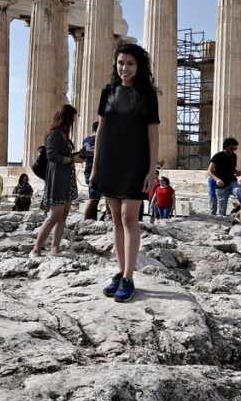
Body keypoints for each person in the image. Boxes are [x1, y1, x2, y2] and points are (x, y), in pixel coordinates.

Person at [89, 43, 160, 303]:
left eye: (130, 63)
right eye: (120, 63)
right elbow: (101, 132)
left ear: (138, 66)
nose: (124, 68)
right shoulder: (108, 91)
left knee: (129, 218)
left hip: (135, 161)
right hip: (110, 160)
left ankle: (129, 277)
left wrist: (151, 170)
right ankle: (120, 272)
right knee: (115, 219)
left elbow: (153, 134)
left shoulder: (146, 94)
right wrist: (95, 166)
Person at [33, 104, 83, 256]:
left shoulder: (64, 135)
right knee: (54, 216)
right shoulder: (53, 134)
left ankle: (55, 248)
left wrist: (77, 155)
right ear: (67, 117)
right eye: (73, 116)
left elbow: (63, 154)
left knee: (63, 215)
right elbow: (51, 155)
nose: (75, 120)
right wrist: (71, 160)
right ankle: (36, 250)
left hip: (66, 177)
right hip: (57, 178)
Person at [208, 138, 241, 223]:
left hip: (232, 182)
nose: (233, 151)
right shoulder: (217, 156)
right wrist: (217, 180)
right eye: (232, 148)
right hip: (221, 186)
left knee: (240, 193)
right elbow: (209, 171)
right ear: (226, 146)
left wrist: (237, 172)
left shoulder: (233, 156)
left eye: (235, 149)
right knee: (222, 212)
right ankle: (223, 228)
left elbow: (231, 169)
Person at [81, 122, 101, 220]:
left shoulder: (86, 139)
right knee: (94, 198)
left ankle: (93, 220)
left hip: (88, 169)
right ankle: (85, 221)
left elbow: (83, 154)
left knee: (96, 198)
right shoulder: (97, 139)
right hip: (95, 171)